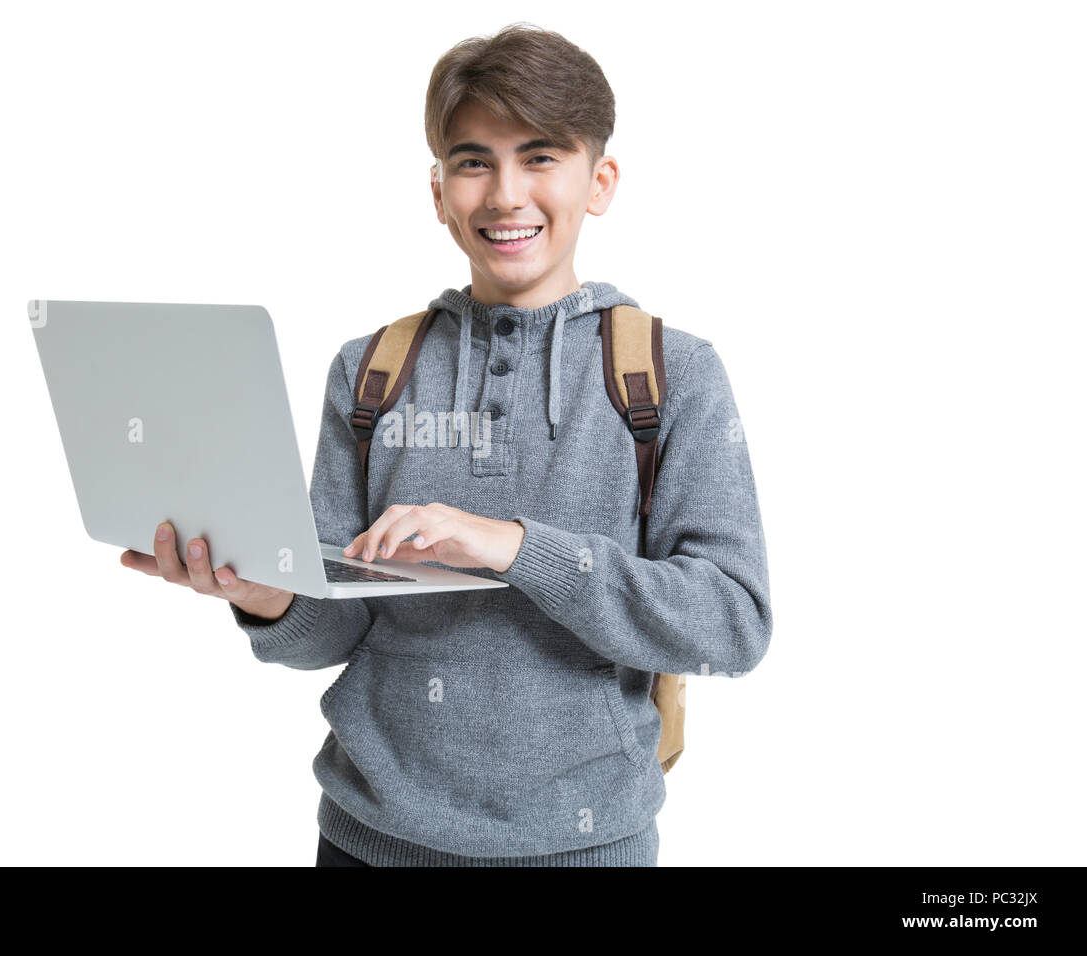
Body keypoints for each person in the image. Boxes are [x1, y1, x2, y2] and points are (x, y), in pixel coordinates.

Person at [122, 22, 772, 867]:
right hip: (365, 842)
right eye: (473, 161)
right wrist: (265, 593)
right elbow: (332, 631)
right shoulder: (370, 371)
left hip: (585, 848)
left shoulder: (672, 371)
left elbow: (732, 620)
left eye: (540, 157)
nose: (505, 194)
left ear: (600, 180)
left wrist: (513, 548)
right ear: (438, 191)